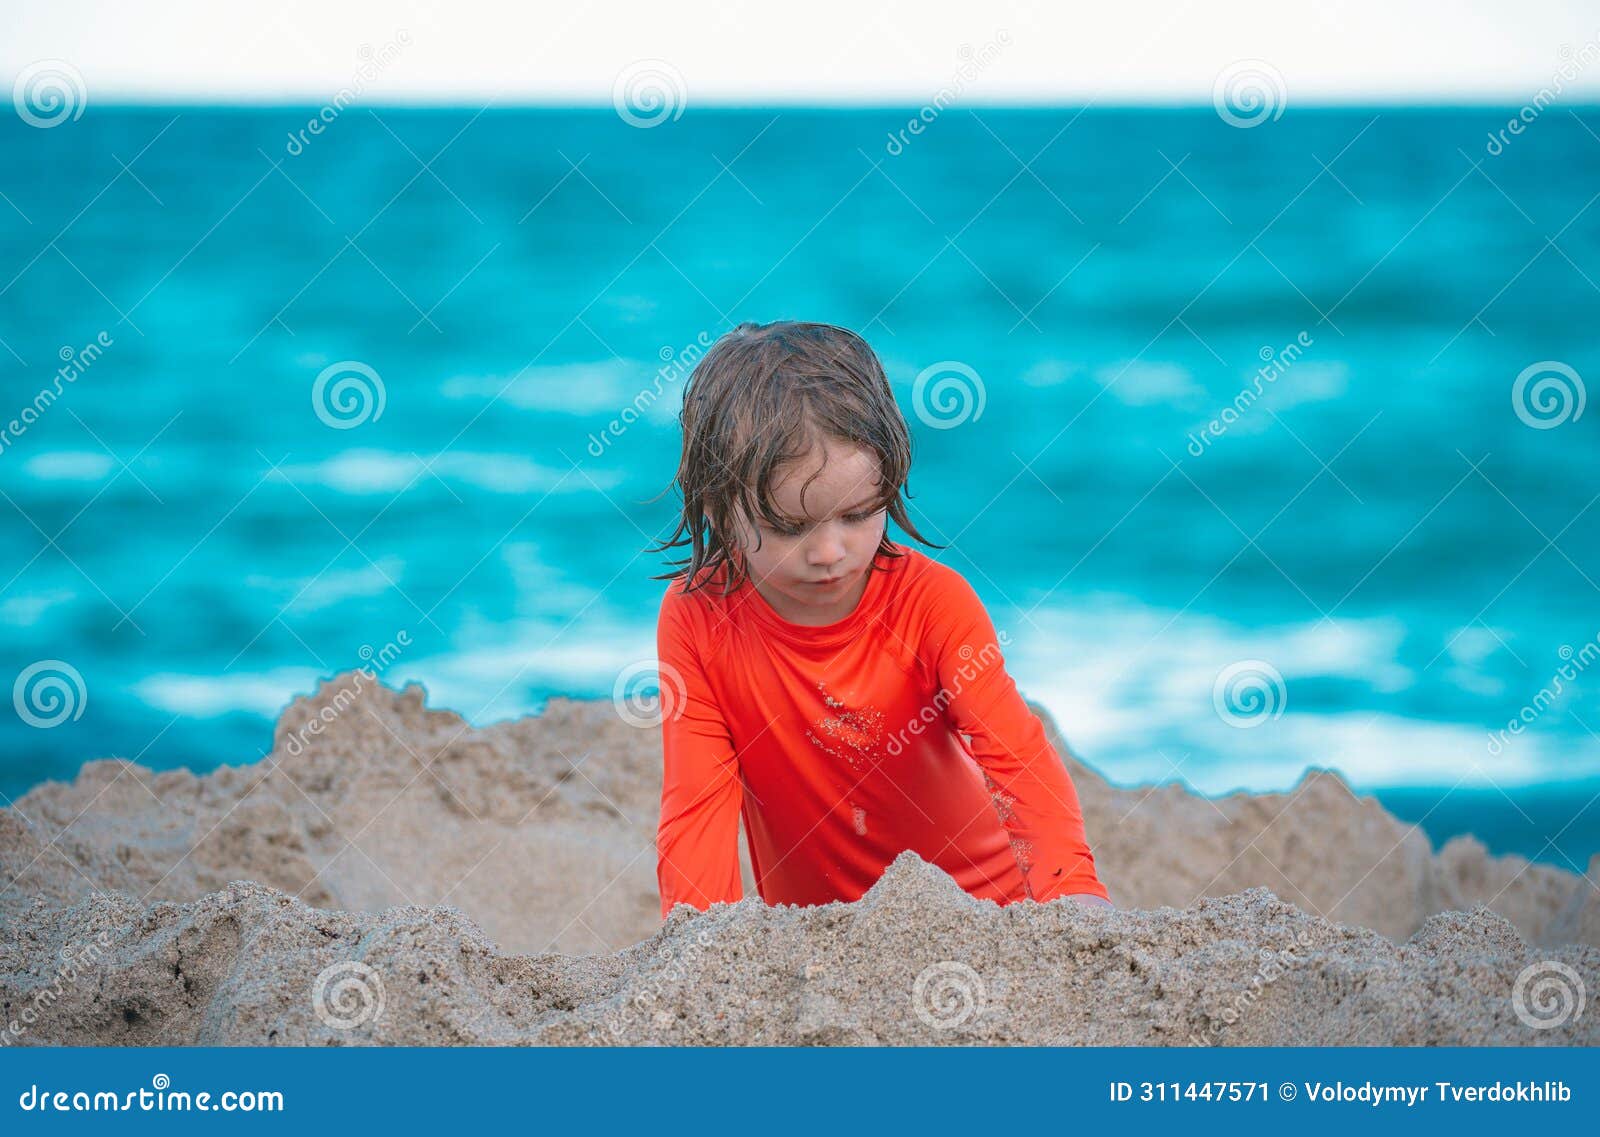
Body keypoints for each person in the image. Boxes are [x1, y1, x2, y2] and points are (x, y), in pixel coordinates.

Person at [648, 319, 1112, 918]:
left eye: (859, 514)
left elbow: (1017, 760)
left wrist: (1074, 899)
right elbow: (696, 806)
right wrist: (701, 945)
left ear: (889, 480)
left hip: (987, 912)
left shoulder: (932, 602)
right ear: (717, 504)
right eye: (789, 527)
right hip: (808, 943)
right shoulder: (697, 617)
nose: (828, 552)